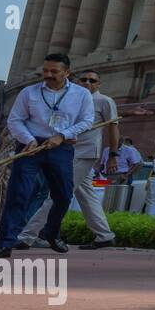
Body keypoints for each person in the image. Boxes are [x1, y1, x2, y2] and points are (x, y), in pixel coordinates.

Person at [0, 53, 95, 258]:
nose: (48, 75)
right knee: (19, 194)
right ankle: (5, 243)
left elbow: (87, 121)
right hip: (30, 147)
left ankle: (52, 233)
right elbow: (15, 120)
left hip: (60, 147)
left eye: (54, 72)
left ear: (67, 72)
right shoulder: (29, 93)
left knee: (63, 195)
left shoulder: (82, 95)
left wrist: (63, 135)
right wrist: (28, 139)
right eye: (45, 71)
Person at [18, 70, 120, 250]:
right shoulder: (71, 99)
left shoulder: (104, 101)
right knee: (86, 195)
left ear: (99, 84)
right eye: (84, 79)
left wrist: (113, 155)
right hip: (66, 151)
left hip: (85, 153)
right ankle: (104, 235)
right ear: (77, 81)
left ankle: (27, 236)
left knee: (57, 194)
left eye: (92, 80)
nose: (87, 82)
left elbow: (113, 128)